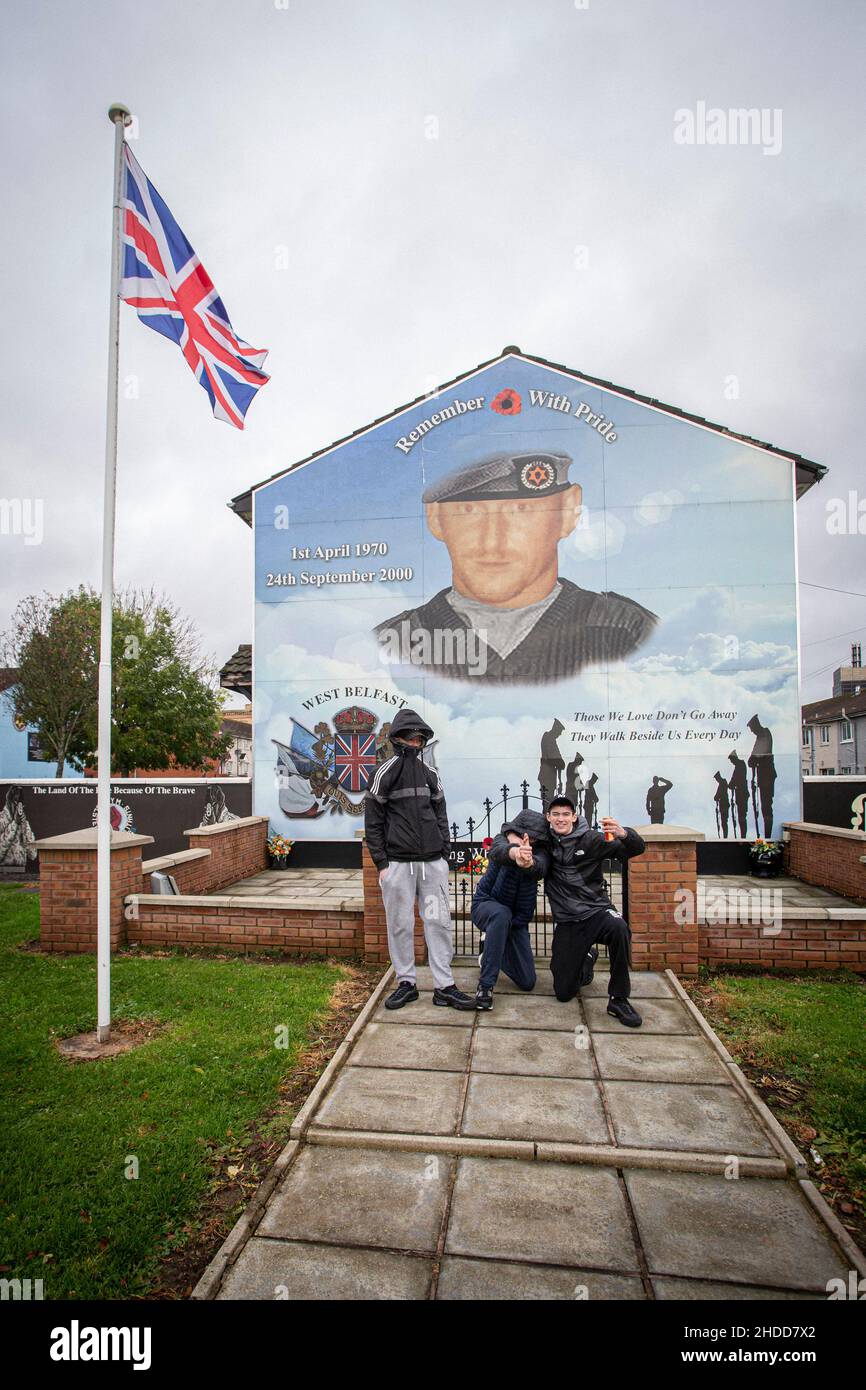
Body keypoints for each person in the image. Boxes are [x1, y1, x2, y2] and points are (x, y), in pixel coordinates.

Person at [374, 450, 657, 684]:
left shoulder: (627, 631)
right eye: (469, 511)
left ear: (568, 511)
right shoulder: (394, 642)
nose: (493, 540)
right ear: (435, 518)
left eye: (521, 510)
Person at [364, 707, 475, 1011]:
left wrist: (444, 851)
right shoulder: (382, 774)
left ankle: (444, 986)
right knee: (399, 924)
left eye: (419, 738)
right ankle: (406, 983)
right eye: (409, 737)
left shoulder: (431, 775)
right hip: (397, 866)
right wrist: (382, 864)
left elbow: (441, 814)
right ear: (397, 738)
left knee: (438, 922)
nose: (415, 742)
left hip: (431, 866)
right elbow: (372, 823)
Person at [525, 795, 646, 1026]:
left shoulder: (591, 839)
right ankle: (587, 957)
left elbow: (636, 849)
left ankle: (619, 999)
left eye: (565, 814)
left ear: (574, 816)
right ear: (548, 818)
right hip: (569, 921)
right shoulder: (545, 844)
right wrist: (527, 862)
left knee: (620, 928)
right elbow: (535, 863)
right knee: (563, 993)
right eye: (556, 814)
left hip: (596, 912)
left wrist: (624, 833)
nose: (561, 819)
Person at [471, 809, 546, 1010]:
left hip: (515, 921)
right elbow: (498, 850)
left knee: (527, 981)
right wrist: (515, 851)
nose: (529, 841)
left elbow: (541, 868)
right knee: (500, 914)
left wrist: (529, 862)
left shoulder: (541, 853)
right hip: (487, 906)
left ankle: (490, 949)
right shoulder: (502, 840)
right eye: (525, 836)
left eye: (534, 839)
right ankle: (485, 987)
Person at [747, 715, 777, 838]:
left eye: (752, 729)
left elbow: (757, 755)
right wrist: (754, 759)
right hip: (762, 777)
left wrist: (755, 759)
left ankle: (768, 837)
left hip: (767, 777)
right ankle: (766, 835)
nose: (752, 732)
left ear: (756, 726)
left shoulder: (765, 734)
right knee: (765, 807)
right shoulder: (760, 736)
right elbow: (751, 759)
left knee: (766, 807)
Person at [538, 718, 566, 805]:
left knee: (549, 799)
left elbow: (558, 757)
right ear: (555, 729)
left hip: (549, 774)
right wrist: (560, 762)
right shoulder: (549, 738)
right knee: (547, 799)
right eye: (559, 732)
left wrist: (560, 762)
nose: (560, 734)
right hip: (547, 773)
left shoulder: (551, 739)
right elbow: (554, 757)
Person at [727, 751, 749, 838]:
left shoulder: (740, 765)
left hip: (742, 794)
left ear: (734, 758)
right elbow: (734, 779)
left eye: (732, 760)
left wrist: (731, 784)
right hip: (740, 793)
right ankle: (743, 834)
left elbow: (736, 778)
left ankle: (743, 835)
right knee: (741, 815)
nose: (731, 762)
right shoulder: (739, 765)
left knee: (742, 815)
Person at [713, 771, 730, 839]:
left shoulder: (722, 783)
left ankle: (725, 836)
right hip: (723, 804)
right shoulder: (722, 783)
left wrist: (716, 797)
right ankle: (725, 835)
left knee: (724, 821)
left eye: (716, 779)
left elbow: (718, 794)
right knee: (724, 822)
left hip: (724, 804)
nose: (717, 780)